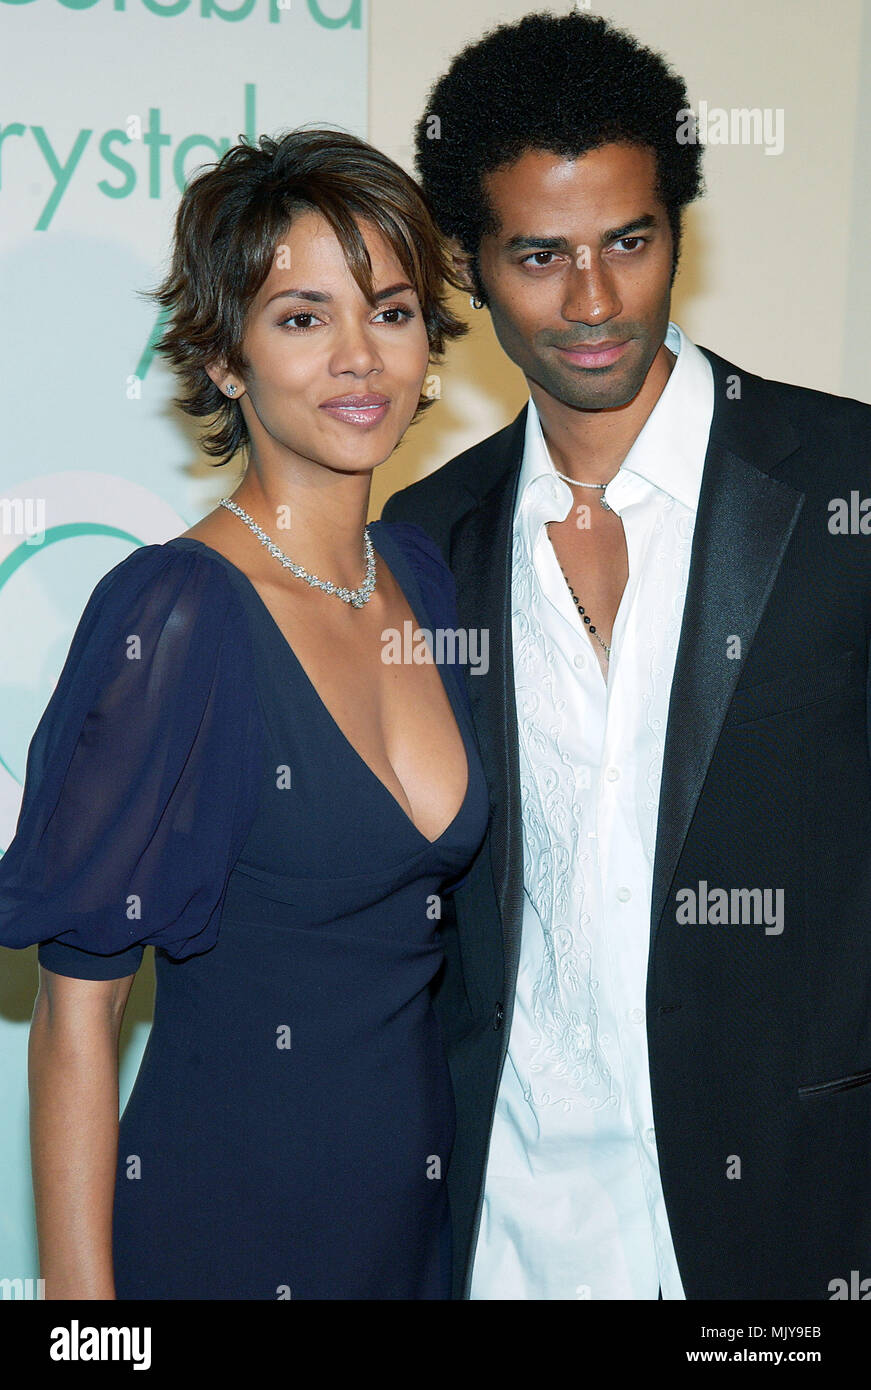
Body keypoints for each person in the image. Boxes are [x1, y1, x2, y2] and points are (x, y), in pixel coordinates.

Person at [382, 10, 871, 1300]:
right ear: (471, 268)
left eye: (628, 243)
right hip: (516, 1224)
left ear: (678, 232)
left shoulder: (846, 484)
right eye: (539, 256)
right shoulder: (423, 540)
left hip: (799, 1214)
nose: (593, 302)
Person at [0, 127, 489, 1300]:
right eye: (302, 317)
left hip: (419, 1234)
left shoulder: (427, 576)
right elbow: (76, 1021)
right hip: (221, 1233)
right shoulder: (175, 614)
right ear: (227, 359)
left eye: (390, 309)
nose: (359, 358)